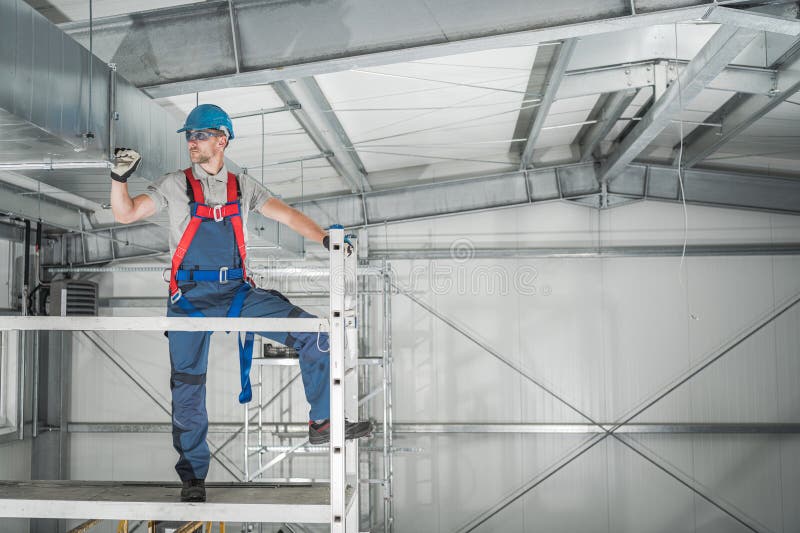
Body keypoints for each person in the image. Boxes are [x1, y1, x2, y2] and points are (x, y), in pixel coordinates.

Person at [109, 104, 372, 502]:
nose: (191, 143)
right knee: (188, 390)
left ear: (222, 139)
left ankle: (322, 421)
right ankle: (193, 478)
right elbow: (126, 213)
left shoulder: (242, 186)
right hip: (189, 301)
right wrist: (118, 179)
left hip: (235, 293)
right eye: (189, 137)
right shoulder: (173, 185)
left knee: (317, 333)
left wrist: (326, 239)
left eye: (199, 135)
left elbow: (288, 216)